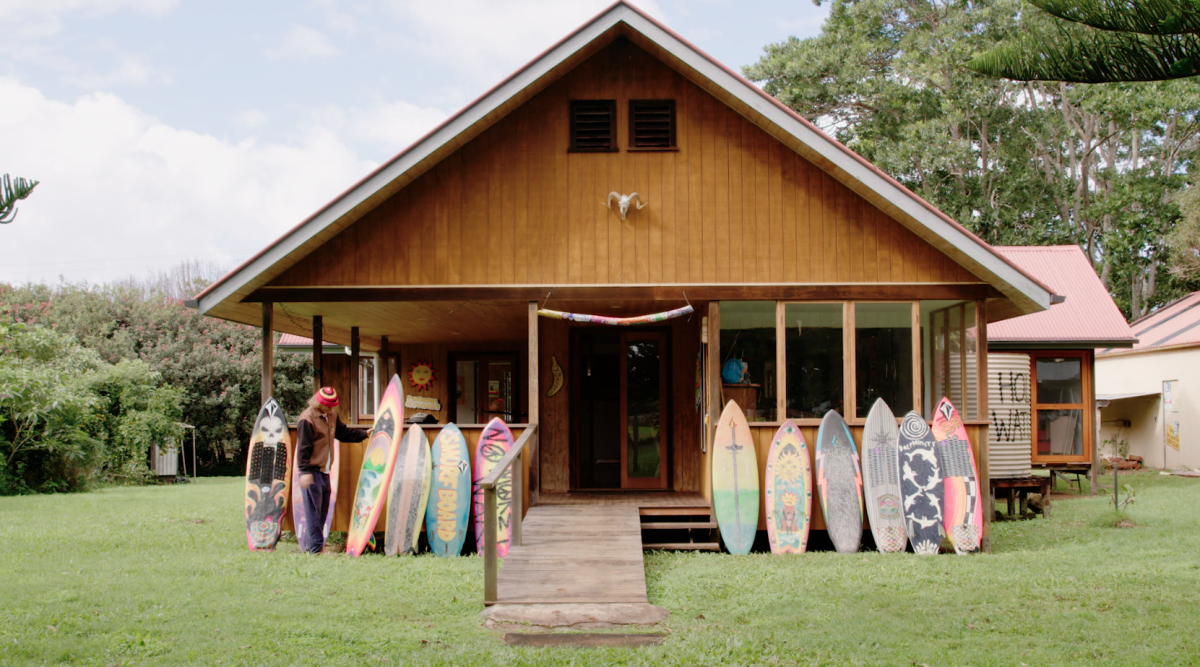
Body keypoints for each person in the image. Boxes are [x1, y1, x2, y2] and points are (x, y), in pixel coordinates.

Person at [295, 387, 369, 553]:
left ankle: (311, 548)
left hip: (325, 470)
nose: (331, 409)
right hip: (311, 471)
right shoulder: (306, 419)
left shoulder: (331, 415)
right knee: (313, 512)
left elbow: (343, 433)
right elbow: (303, 448)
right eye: (328, 406)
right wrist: (305, 472)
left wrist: (364, 434)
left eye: (332, 406)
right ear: (319, 403)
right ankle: (315, 550)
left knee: (322, 511)